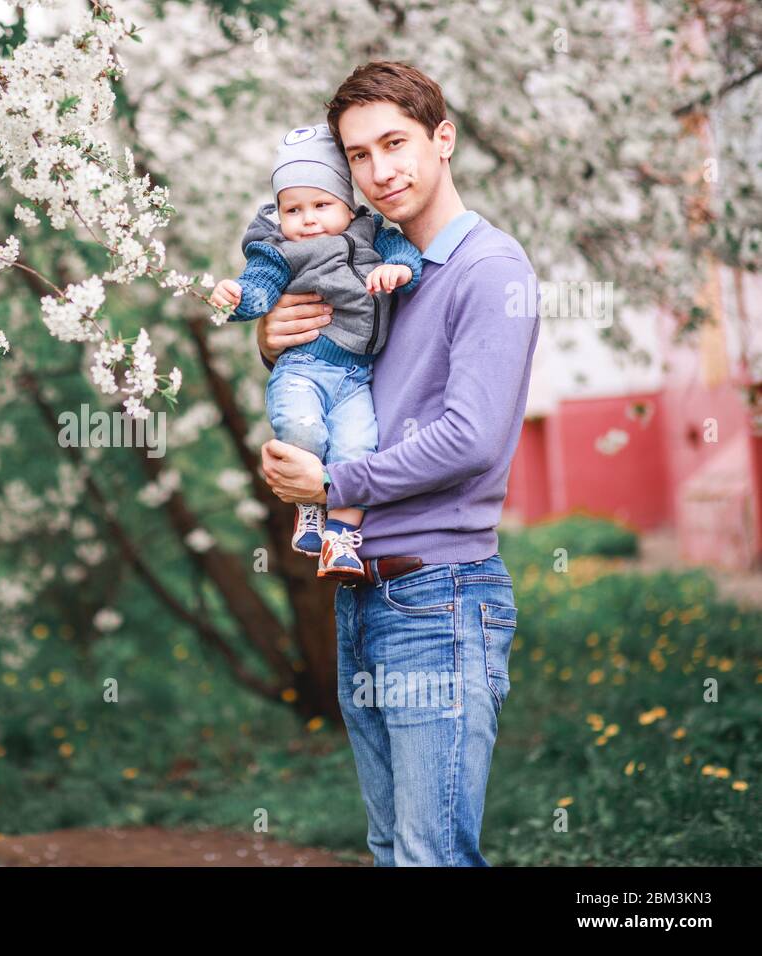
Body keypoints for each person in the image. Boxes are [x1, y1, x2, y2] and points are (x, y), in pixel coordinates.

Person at [254, 61, 541, 866]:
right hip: (364, 591)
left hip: (439, 596)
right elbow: (355, 392)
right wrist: (273, 344)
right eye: (359, 155)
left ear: (442, 139)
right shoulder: (373, 268)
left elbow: (470, 438)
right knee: (392, 850)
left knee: (428, 855)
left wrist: (332, 484)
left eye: (395, 143)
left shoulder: (488, 269)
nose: (379, 171)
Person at [209, 123, 423, 579]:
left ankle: (340, 540)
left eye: (321, 205)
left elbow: (405, 252)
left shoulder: (371, 236)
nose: (308, 220)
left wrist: (400, 271)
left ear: (347, 204)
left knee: (357, 449)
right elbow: (259, 287)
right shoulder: (281, 251)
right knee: (300, 427)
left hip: (356, 379)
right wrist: (236, 299)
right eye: (293, 209)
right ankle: (309, 508)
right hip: (303, 368)